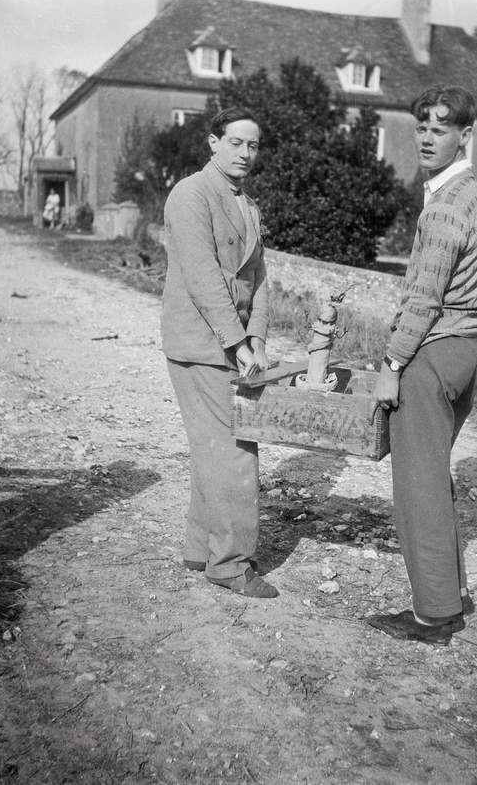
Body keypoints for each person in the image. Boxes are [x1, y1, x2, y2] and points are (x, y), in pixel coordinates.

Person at [368, 85, 477, 645]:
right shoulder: (469, 193)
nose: (426, 137)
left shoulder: (445, 206)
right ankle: (450, 596)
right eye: (421, 126)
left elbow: (423, 299)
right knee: (433, 480)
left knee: (417, 488)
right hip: (465, 350)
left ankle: (433, 616)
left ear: (464, 136)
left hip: (434, 358)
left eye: (440, 129)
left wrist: (392, 364)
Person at [160, 106, 278, 598]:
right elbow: (204, 277)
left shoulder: (247, 204)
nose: (245, 153)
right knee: (234, 449)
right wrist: (237, 341)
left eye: (253, 145)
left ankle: (201, 548)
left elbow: (260, 278)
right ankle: (229, 564)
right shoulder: (191, 194)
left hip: (229, 343)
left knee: (213, 446)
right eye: (235, 142)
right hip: (200, 342)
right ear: (213, 143)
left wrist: (258, 338)